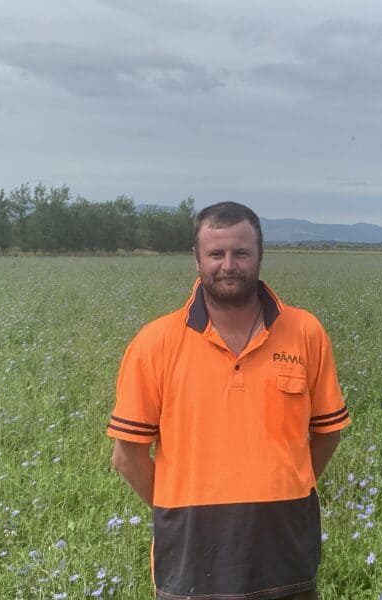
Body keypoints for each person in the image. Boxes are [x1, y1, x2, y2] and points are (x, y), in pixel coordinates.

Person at [107, 201, 350, 600]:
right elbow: (127, 456)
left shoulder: (306, 332)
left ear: (260, 255)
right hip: (190, 560)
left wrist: (287, 487)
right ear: (196, 258)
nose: (228, 264)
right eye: (216, 254)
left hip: (285, 556)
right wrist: (180, 506)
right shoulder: (155, 342)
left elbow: (327, 435)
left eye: (241, 253)